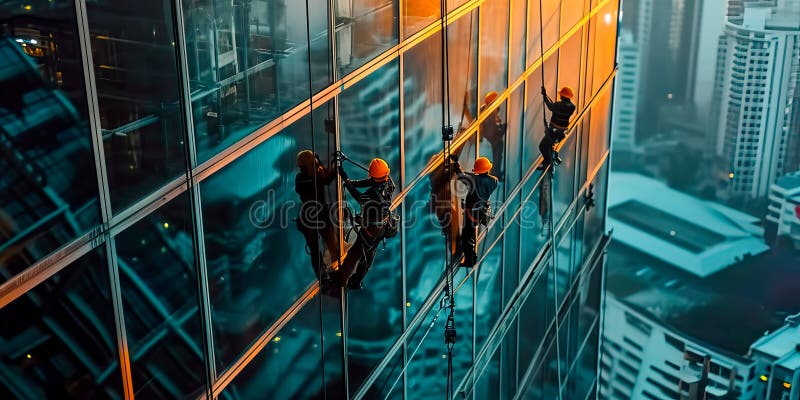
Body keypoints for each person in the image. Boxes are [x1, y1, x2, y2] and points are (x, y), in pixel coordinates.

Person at [333, 157, 396, 289]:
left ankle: (339, 280)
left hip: (371, 230)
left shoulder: (373, 193)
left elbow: (360, 198)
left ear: (372, 175)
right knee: (368, 254)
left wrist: (346, 181)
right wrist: (350, 182)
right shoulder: (389, 182)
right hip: (382, 226)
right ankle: (356, 281)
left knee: (354, 254)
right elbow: (370, 182)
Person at [294, 150, 338, 278]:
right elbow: (325, 179)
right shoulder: (309, 179)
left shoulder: (302, 178)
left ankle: (324, 273)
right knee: (327, 245)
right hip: (316, 216)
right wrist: (326, 166)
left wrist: (322, 165)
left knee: (318, 248)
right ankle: (331, 270)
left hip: (309, 217)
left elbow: (324, 179)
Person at [454, 156, 498, 268]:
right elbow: (475, 177)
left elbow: (461, 176)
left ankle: (470, 260)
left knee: (467, 235)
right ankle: (472, 257)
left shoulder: (473, 180)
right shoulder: (494, 181)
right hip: (481, 211)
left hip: (471, 212)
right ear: (488, 169)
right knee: (470, 233)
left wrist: (456, 163)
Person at [538, 86, 577, 168]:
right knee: (550, 145)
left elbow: (550, 106)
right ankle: (553, 155)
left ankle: (547, 162)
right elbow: (554, 107)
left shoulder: (558, 105)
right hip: (562, 132)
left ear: (562, 96)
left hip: (554, 131)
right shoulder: (572, 107)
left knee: (543, 146)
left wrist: (545, 96)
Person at [480, 91, 507, 179]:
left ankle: (496, 170)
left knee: (499, 145)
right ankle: (496, 171)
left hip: (489, 135)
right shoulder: (490, 112)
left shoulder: (487, 109)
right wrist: (504, 127)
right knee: (499, 145)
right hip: (490, 137)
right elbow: (494, 130)